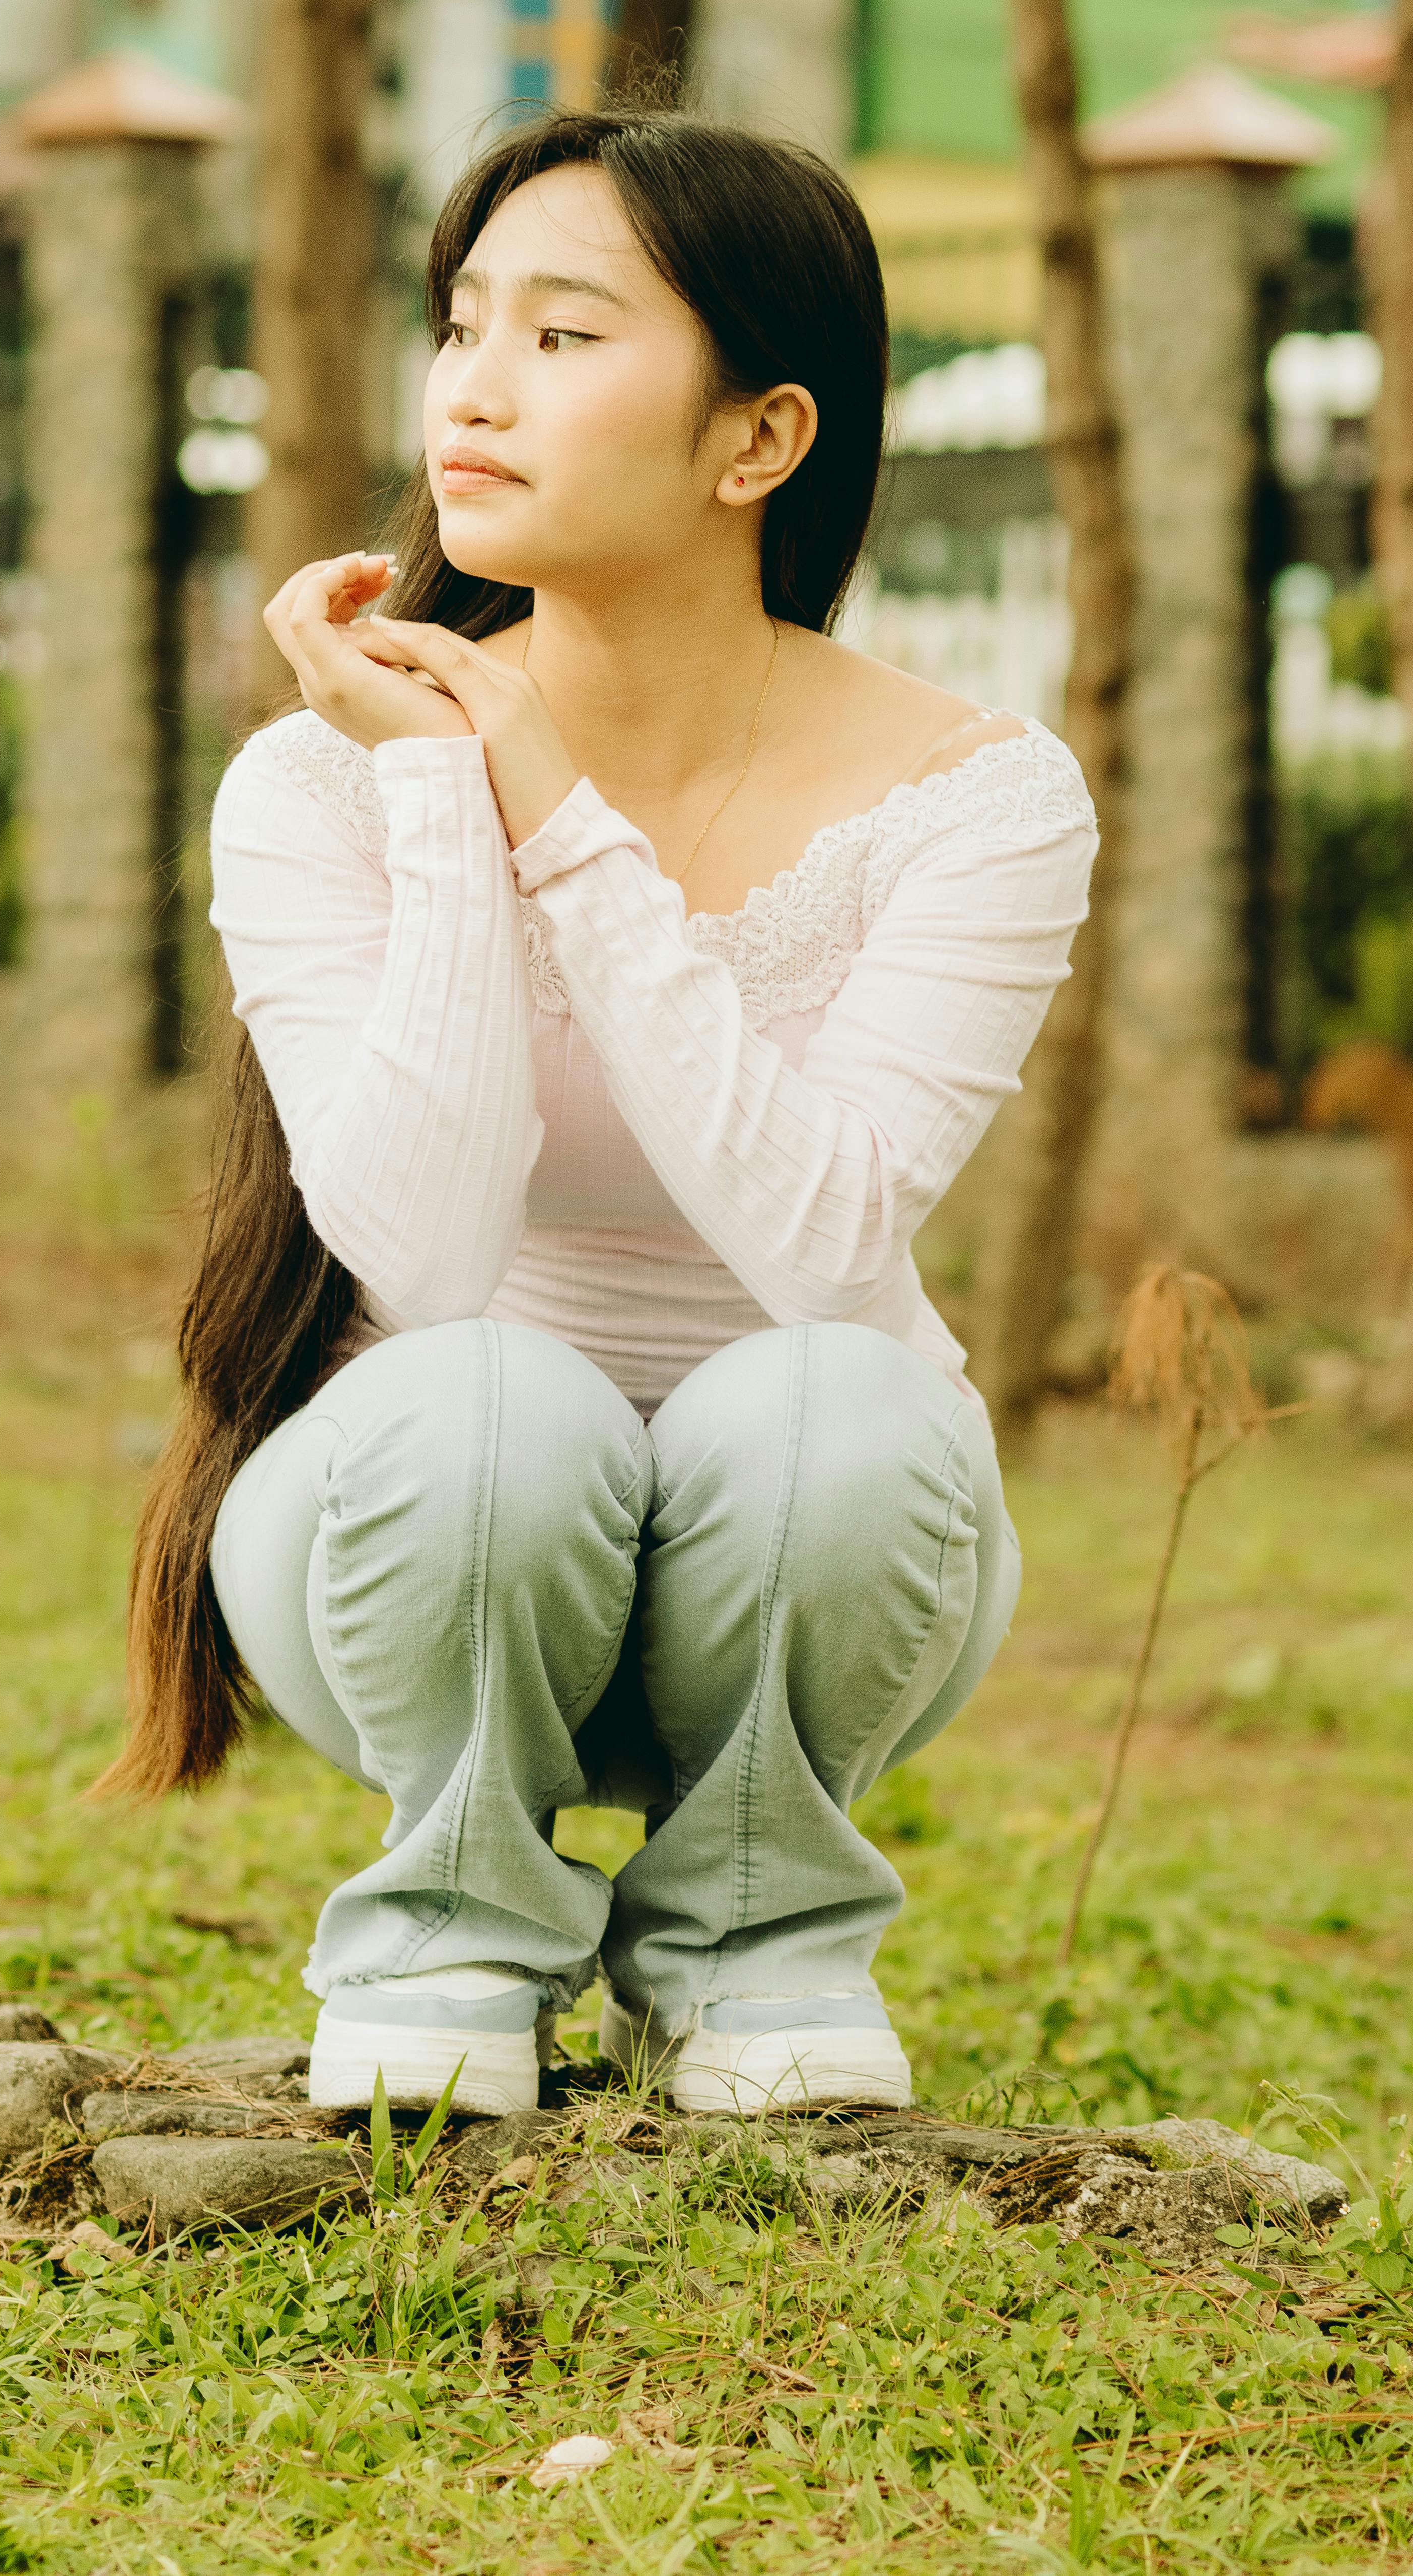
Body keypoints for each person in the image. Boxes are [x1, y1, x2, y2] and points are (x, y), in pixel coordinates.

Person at [102, 108, 1097, 2123]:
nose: (472, 385)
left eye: (564, 334)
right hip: (412, 1540)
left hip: (830, 1560)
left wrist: (552, 807)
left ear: (758, 440)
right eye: (461, 320)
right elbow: (430, 1257)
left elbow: (824, 1251)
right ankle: (443, 1935)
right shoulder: (318, 786)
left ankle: (759, 1941)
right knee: (491, 1391)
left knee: (834, 1396)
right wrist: (441, 796)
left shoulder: (982, 800)